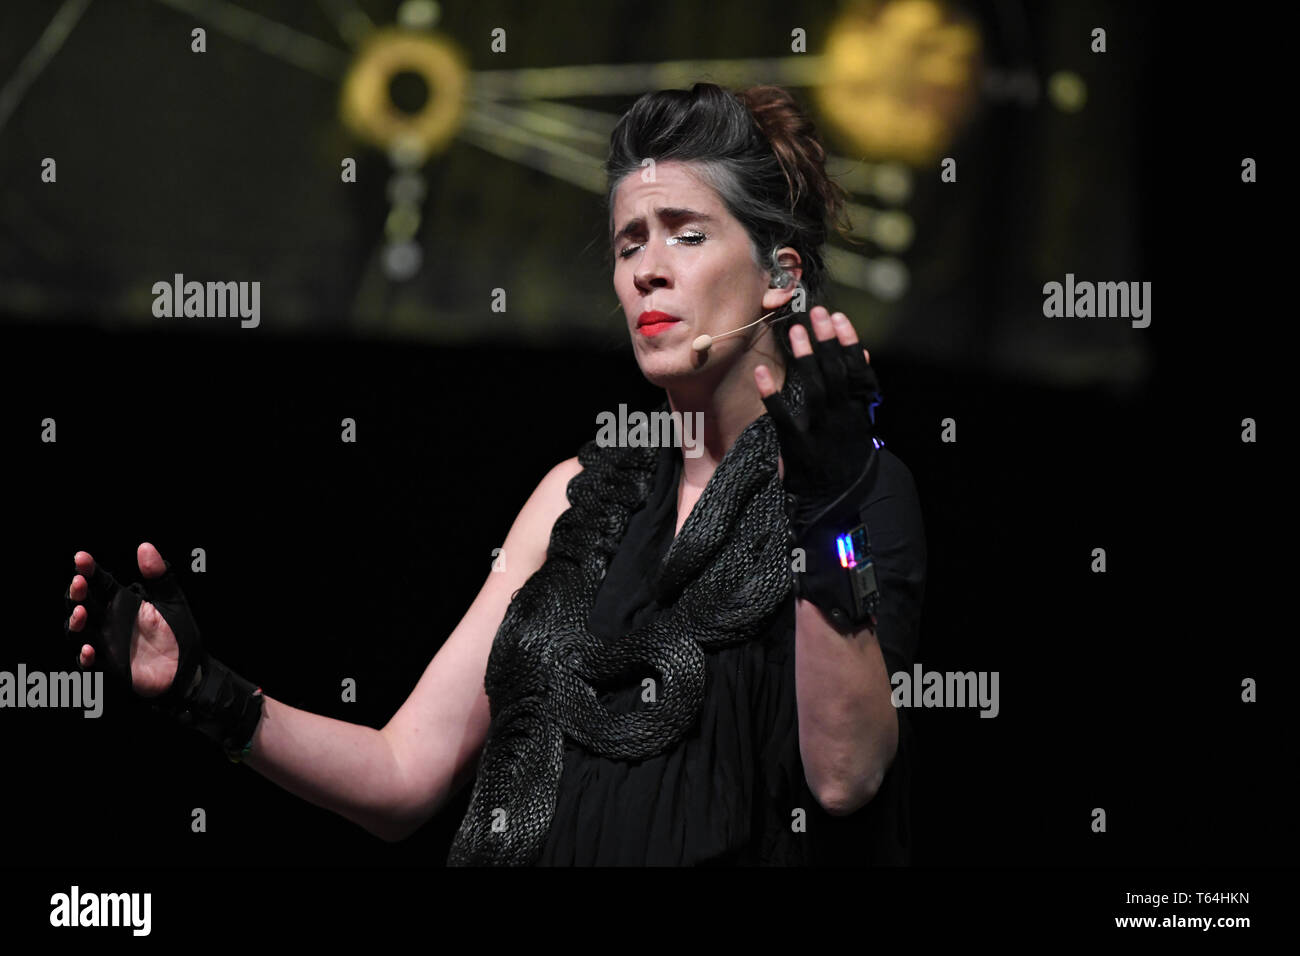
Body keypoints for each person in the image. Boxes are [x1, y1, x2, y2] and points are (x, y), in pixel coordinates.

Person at [62, 82, 926, 866]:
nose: (648, 269)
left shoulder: (861, 496)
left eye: (687, 235)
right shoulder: (571, 500)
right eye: (630, 243)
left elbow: (847, 779)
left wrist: (824, 516)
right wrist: (207, 693)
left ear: (780, 276)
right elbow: (403, 775)